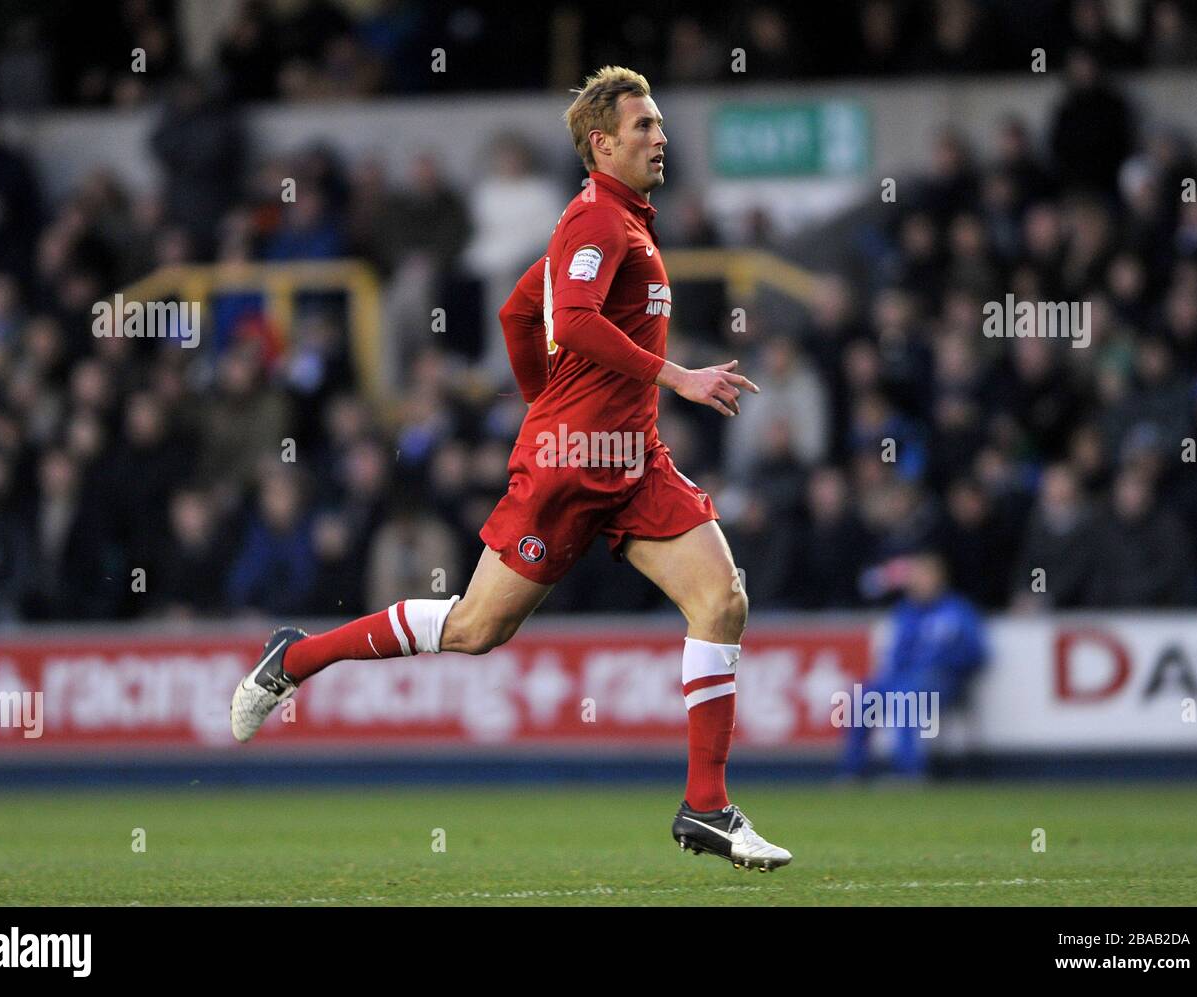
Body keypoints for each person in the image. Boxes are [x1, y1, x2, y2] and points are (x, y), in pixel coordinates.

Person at [230, 66, 790, 871]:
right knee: (474, 628)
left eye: (660, 124)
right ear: (603, 143)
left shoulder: (619, 224)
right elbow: (583, 323)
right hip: (569, 466)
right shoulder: (597, 222)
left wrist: (546, 398)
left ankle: (706, 806)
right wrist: (671, 379)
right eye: (645, 127)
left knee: (722, 599)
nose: (661, 137)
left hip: (632, 460)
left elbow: (520, 310)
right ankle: (297, 657)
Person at [840, 549, 987, 779]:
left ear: (938, 578)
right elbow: (898, 655)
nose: (919, 582)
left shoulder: (957, 610)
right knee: (862, 698)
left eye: (924, 576)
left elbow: (975, 652)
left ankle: (910, 771)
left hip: (943, 680)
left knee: (905, 698)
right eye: (916, 577)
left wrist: (946, 665)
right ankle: (853, 771)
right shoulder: (907, 612)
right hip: (905, 678)